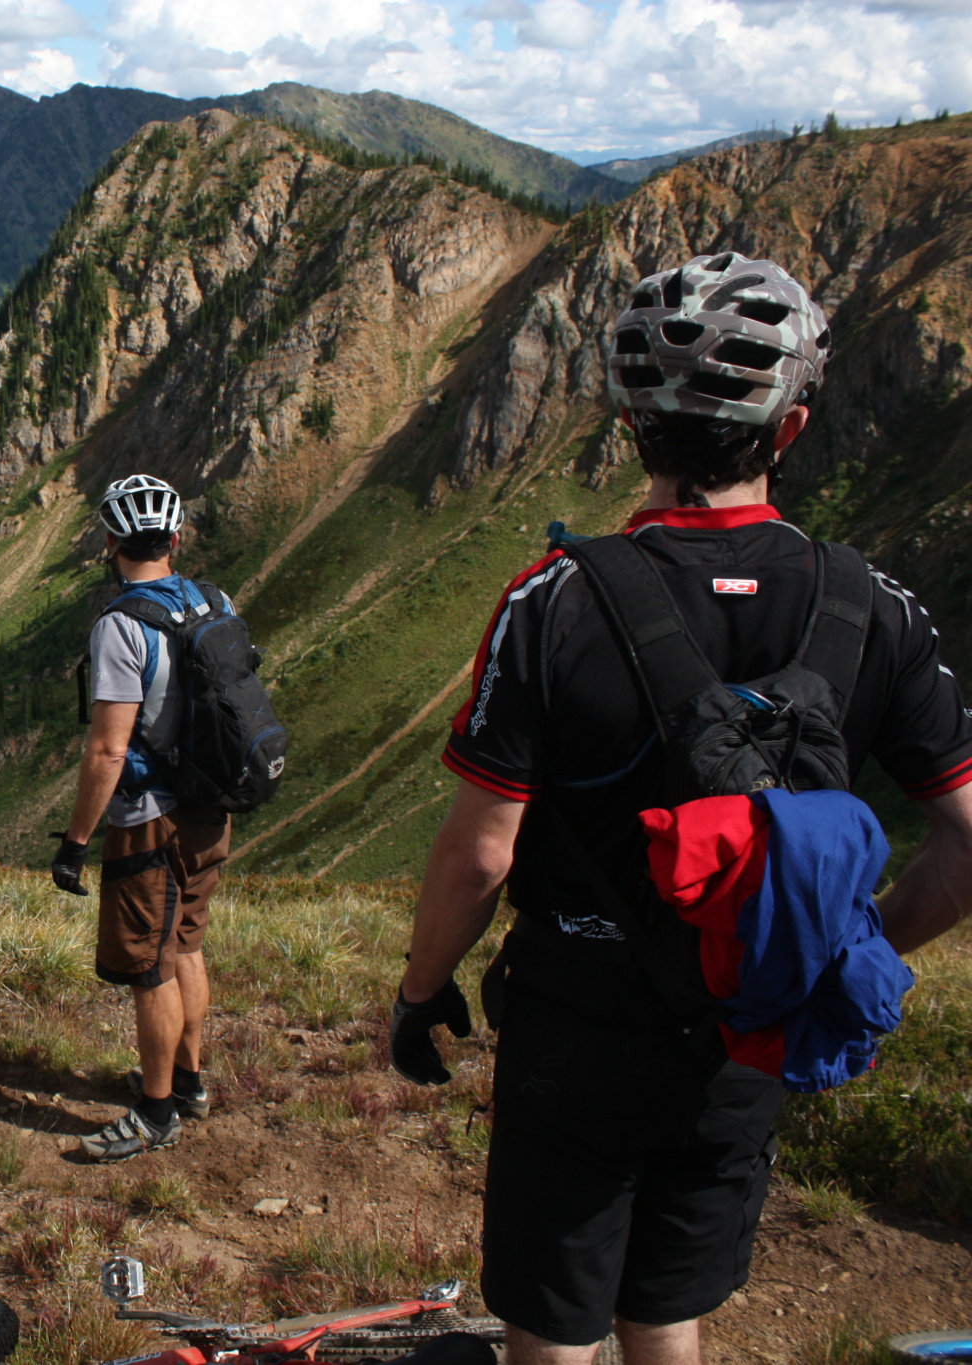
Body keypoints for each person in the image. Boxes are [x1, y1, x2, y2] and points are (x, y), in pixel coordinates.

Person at [388, 253, 972, 1365]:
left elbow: (477, 853)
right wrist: (830, 955)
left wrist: (421, 994)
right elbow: (964, 841)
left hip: (578, 1022)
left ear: (628, 427)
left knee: (552, 1324)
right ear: (788, 430)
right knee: (664, 1308)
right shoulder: (872, 605)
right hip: (746, 1034)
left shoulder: (551, 601)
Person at [52, 474, 232, 1162]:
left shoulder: (122, 626)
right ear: (176, 540)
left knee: (149, 967)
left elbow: (107, 748)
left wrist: (74, 843)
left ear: (111, 543)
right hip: (211, 807)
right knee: (186, 943)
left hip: (148, 816)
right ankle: (187, 1083)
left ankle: (155, 1112)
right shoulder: (216, 601)